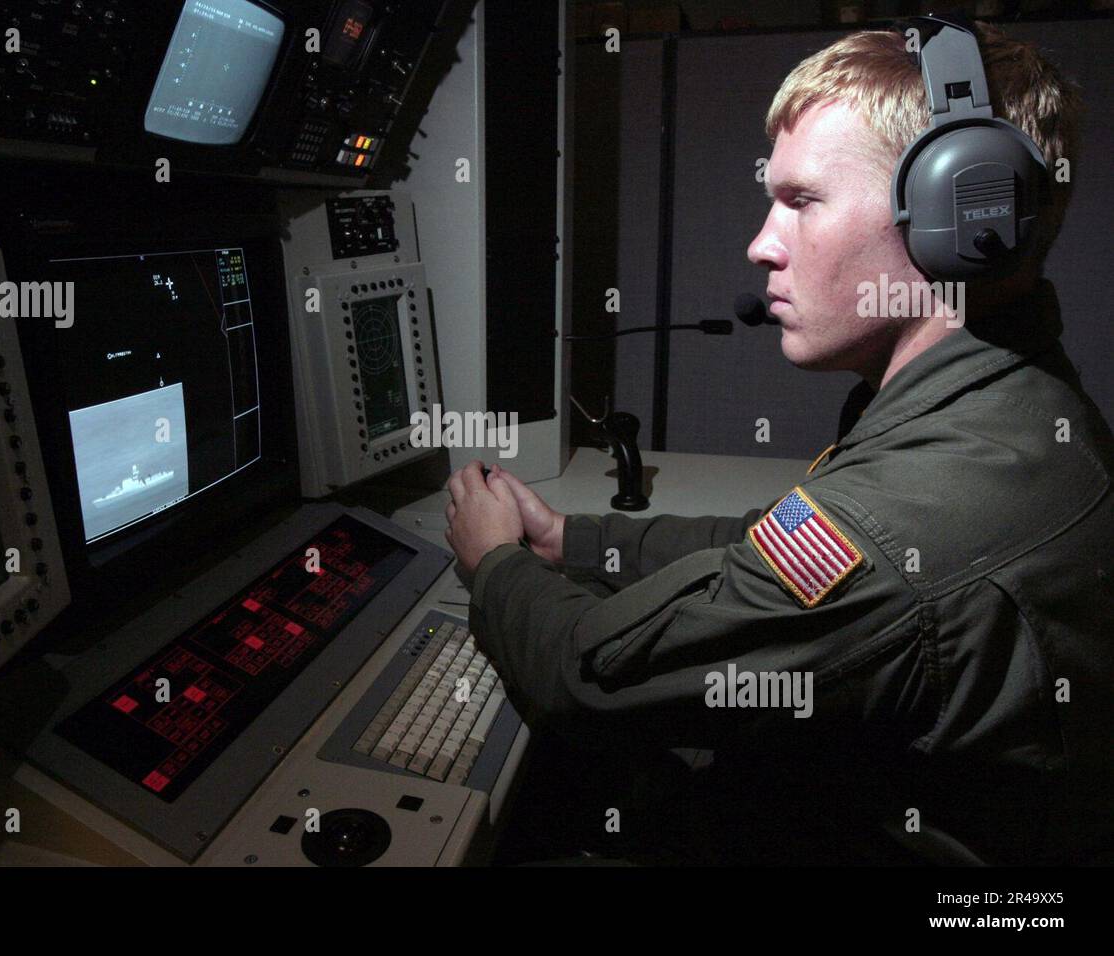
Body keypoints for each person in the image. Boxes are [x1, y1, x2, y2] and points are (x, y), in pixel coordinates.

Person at [443, 21, 1113, 865]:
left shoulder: (906, 526)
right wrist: (571, 538)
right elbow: (775, 546)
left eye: (801, 201)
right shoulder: (1010, 409)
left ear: (955, 212)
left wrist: (495, 561)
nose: (762, 244)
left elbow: (593, 679)